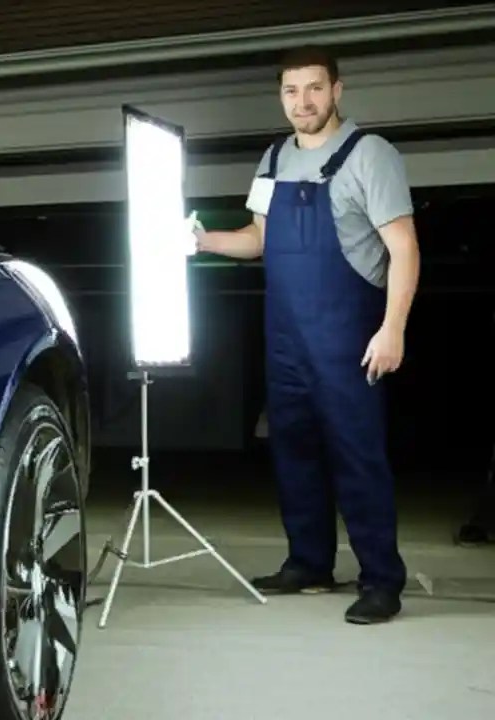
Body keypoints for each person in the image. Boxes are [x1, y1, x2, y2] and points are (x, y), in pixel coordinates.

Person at [195, 45, 421, 624]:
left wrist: (392, 328)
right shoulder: (272, 158)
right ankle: (309, 562)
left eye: (315, 88)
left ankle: (381, 580)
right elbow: (258, 239)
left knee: (357, 454)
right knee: (292, 449)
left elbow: (404, 248)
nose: (304, 102)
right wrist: (201, 241)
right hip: (287, 336)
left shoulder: (371, 155)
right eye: (292, 91)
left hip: (348, 335)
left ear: (337, 91)